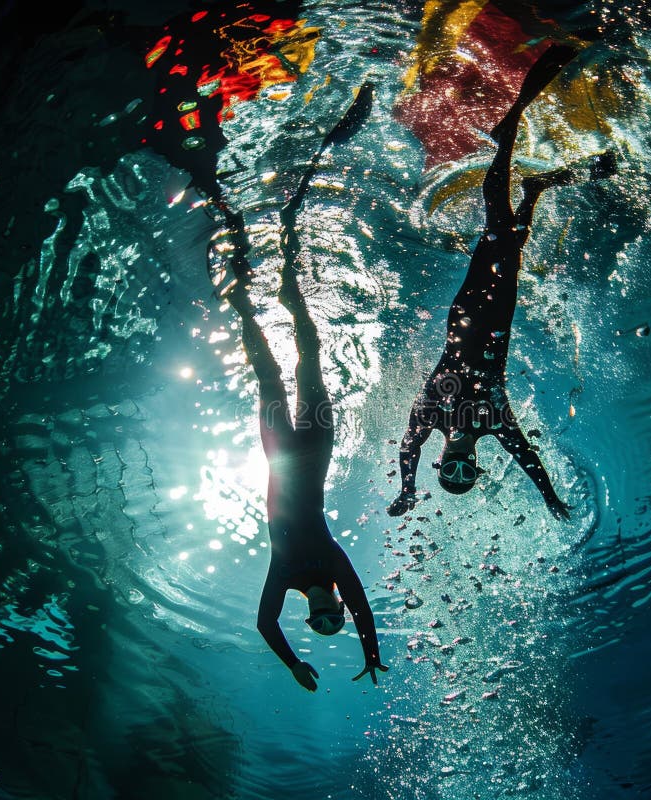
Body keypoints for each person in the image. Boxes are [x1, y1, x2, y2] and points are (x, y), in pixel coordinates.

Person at [388, 43, 613, 519]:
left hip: (469, 312)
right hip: (501, 315)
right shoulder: (494, 422)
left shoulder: (433, 415)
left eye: (449, 473)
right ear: (476, 468)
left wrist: (408, 489)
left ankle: (507, 138)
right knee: (510, 249)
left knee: (501, 235)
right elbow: (528, 459)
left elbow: (408, 447)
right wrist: (550, 496)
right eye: (466, 475)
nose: (458, 468)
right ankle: (533, 186)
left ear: (442, 463)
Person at [218, 86, 387, 692]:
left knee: (267, 370)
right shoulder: (336, 569)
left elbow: (265, 624)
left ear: (305, 613)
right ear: (336, 605)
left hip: (274, 449)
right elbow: (368, 608)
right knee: (309, 354)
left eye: (314, 619)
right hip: (316, 446)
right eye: (330, 615)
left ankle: (241, 284)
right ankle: (288, 256)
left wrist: (293, 665)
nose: (321, 610)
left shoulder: (285, 575)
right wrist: (369, 650)